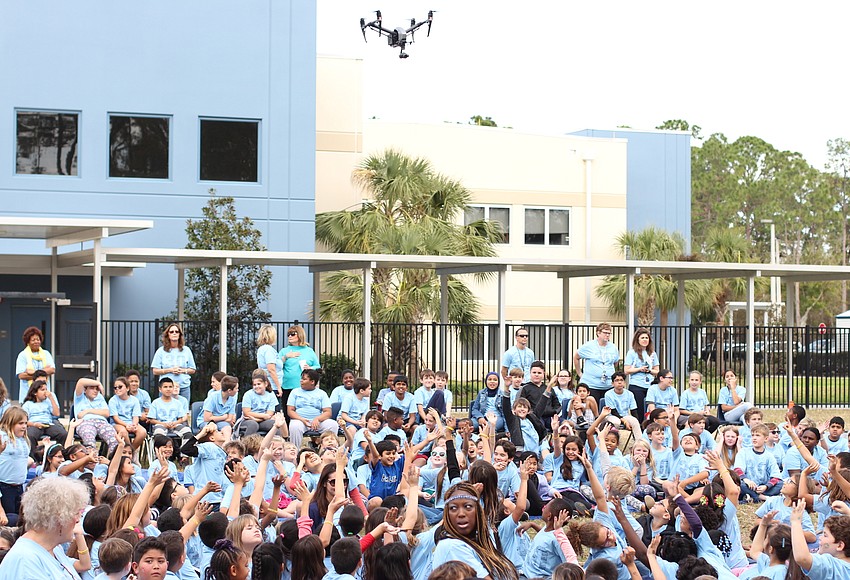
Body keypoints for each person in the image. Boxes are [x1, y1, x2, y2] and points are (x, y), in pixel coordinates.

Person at [0, 476, 90, 578]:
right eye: (76, 513)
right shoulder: (25, 561)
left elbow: (84, 566)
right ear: (59, 518)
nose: (78, 519)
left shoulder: (53, 548)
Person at [431, 482, 519, 580]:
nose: (461, 514)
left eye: (468, 507)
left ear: (478, 511)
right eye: (453, 508)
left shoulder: (483, 538)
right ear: (447, 514)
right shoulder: (452, 546)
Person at [287, 369, 337, 449]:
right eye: (301, 379)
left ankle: (329, 450)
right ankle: (295, 452)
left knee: (332, 424)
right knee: (294, 426)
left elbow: (328, 412)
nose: (301, 381)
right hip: (300, 421)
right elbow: (290, 411)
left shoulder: (321, 393)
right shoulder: (295, 392)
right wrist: (302, 419)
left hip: (317, 422)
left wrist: (317, 419)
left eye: (304, 379)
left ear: (312, 382)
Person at [74, 377, 123, 454]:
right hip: (85, 422)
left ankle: (113, 463)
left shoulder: (99, 397)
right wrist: (98, 383)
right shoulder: (80, 397)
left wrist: (87, 411)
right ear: (85, 389)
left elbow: (107, 413)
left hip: (102, 423)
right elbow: (81, 381)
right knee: (89, 441)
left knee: (114, 440)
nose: (95, 391)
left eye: (97, 389)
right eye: (92, 388)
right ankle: (92, 462)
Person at [574, 323, 620, 402]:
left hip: (608, 385)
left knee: (607, 409)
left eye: (609, 333)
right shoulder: (588, 346)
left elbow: (616, 362)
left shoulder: (613, 347)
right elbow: (576, 357)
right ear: (598, 333)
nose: (607, 335)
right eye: (605, 333)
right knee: (592, 410)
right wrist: (579, 373)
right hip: (592, 385)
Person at [278, 324, 321, 409]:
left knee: (303, 410)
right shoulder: (284, 351)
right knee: (288, 413)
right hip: (287, 387)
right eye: (288, 334)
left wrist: (310, 368)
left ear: (300, 335)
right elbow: (277, 366)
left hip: (304, 387)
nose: (290, 336)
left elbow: (317, 366)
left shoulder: (309, 351)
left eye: (293, 334)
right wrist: (286, 357)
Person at [0, 407, 30, 525]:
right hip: (4, 487)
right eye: (20, 423)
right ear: (10, 423)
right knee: (9, 520)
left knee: (20, 521)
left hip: (19, 487)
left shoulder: (23, 439)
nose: (24, 426)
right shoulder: (2, 437)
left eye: (26, 423)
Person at [151, 323, 196, 401]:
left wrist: (183, 370)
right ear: (168, 335)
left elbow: (193, 369)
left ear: (180, 335)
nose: (174, 333)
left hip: (183, 388)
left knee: (183, 411)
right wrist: (170, 370)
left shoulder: (186, 350)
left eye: (176, 331)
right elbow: (155, 371)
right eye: (171, 332)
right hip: (166, 388)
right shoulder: (161, 351)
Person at [21, 378, 68, 451]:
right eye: (42, 390)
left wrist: (51, 398)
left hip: (48, 424)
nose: (45, 392)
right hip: (35, 425)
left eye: (46, 389)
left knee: (63, 434)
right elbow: (24, 420)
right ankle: (34, 457)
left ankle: (59, 453)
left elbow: (57, 413)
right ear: (35, 392)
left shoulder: (48, 402)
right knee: (30, 435)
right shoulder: (28, 404)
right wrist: (34, 424)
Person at [623, 328, 659, 420]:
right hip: (636, 385)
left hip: (650, 385)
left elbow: (657, 371)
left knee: (650, 410)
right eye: (642, 338)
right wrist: (639, 369)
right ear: (637, 339)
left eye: (646, 338)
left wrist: (649, 371)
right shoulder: (632, 353)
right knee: (639, 410)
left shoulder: (652, 353)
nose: (645, 340)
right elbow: (626, 370)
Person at [16, 325, 56, 401]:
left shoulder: (46, 353)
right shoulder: (22, 355)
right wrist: (43, 373)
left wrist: (33, 372)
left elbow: (52, 370)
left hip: (44, 396)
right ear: (28, 342)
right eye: (33, 340)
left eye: (38, 339)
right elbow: (21, 375)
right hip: (27, 395)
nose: (36, 342)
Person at [107, 376, 147, 453]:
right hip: (117, 423)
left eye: (120, 387)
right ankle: (127, 453)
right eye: (115, 388)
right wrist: (126, 425)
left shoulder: (134, 400)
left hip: (131, 422)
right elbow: (115, 418)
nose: (117, 389)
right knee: (123, 432)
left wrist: (134, 425)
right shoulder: (113, 400)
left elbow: (135, 416)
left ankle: (131, 452)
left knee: (142, 432)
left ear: (127, 388)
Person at [239, 369, 280, 437]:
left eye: (259, 384)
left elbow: (269, 415)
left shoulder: (271, 395)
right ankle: (247, 445)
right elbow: (247, 413)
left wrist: (256, 419)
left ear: (265, 384)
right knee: (253, 425)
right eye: (254, 385)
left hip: (260, 420)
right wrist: (263, 416)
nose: (256, 386)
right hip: (248, 420)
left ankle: (277, 444)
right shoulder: (248, 394)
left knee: (275, 424)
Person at [256, 324, 283, 398]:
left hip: (266, 384)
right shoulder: (269, 350)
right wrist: (278, 387)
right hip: (272, 386)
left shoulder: (262, 349)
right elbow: (271, 369)